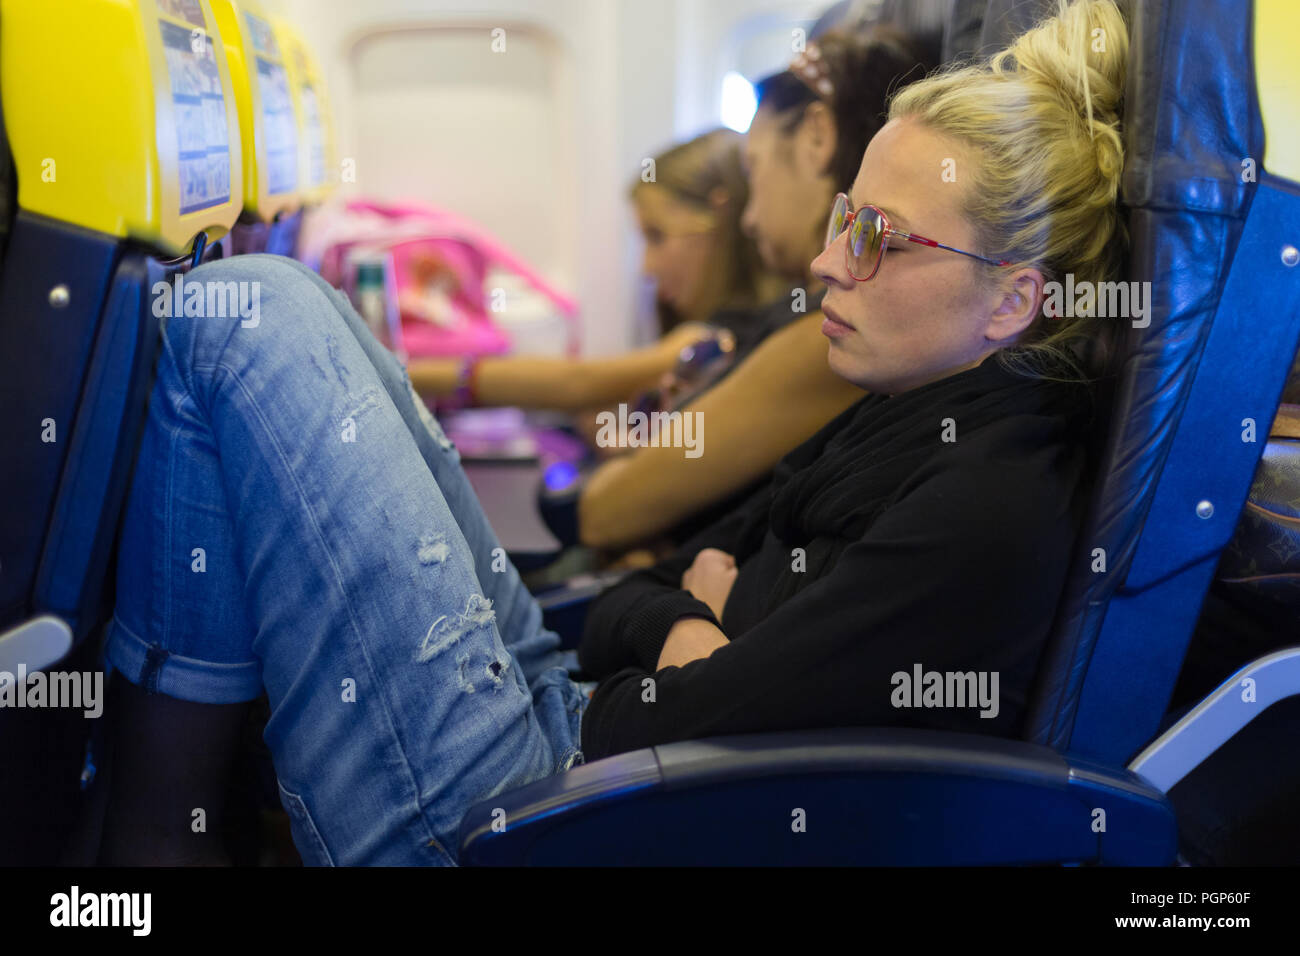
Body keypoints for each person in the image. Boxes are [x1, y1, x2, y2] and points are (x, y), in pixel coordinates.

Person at [99, 0, 1126, 865]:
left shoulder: (984, 508)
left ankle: (151, 843)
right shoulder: (904, 405)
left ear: (1012, 301)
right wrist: (686, 620)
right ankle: (180, 828)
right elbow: (657, 590)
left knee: (247, 316)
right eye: (842, 219)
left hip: (543, 812)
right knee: (309, 310)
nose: (828, 263)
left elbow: (691, 709)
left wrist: (692, 622)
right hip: (580, 730)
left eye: (879, 239)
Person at [405, 128, 782, 413]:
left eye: (657, 236)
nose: (647, 268)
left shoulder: (718, 341)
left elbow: (578, 382)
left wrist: (408, 373)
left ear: (719, 219)